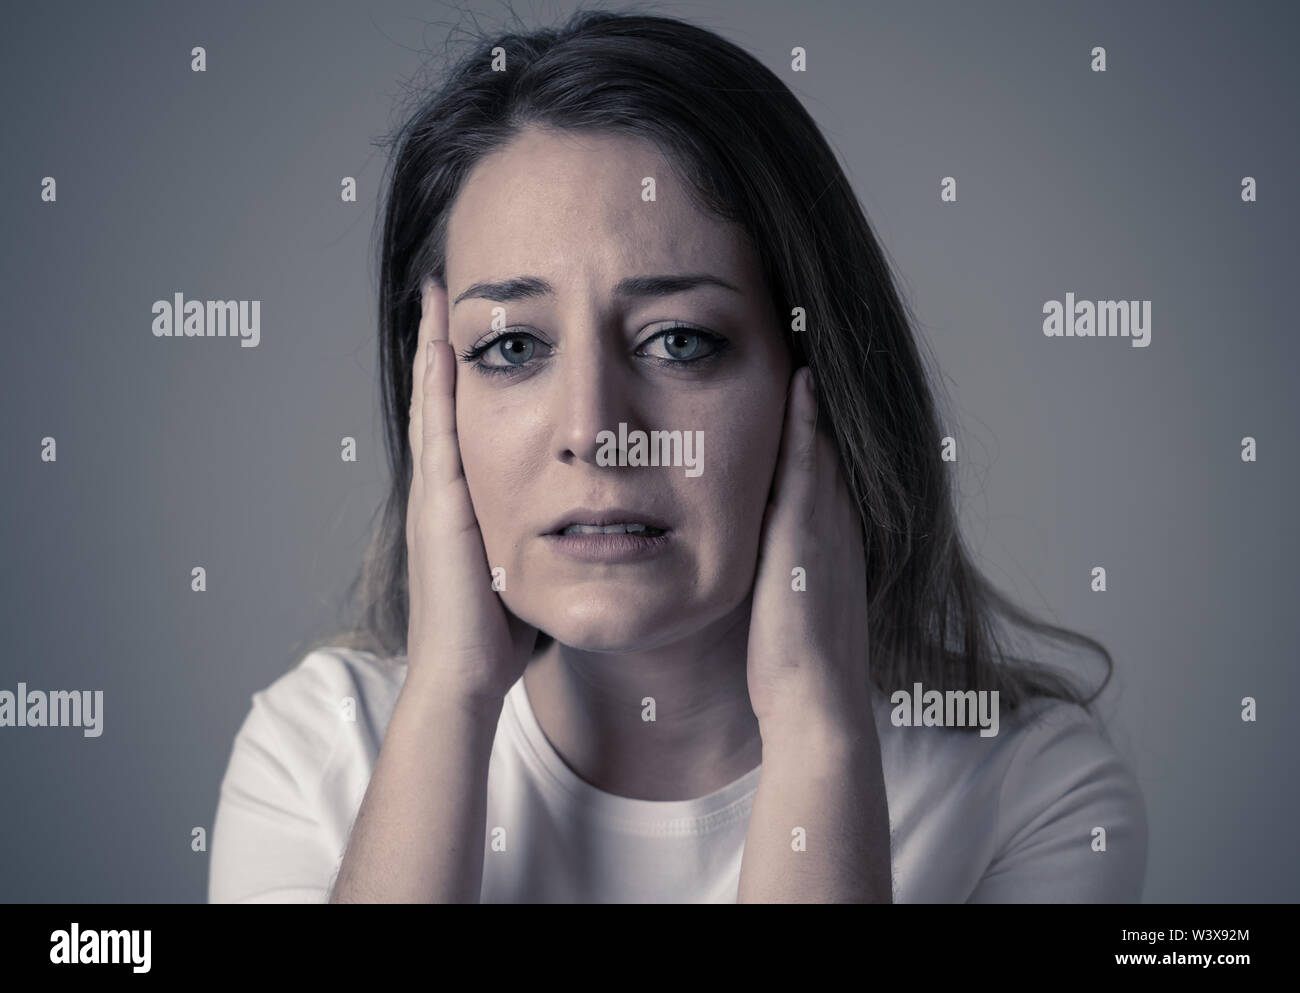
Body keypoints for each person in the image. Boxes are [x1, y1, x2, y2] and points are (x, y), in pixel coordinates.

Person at [209, 9, 1146, 903]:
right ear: (432, 401)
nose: (594, 428)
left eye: (680, 340)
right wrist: (448, 699)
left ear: (817, 379)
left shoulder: (1031, 791)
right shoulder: (317, 751)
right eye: (512, 346)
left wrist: (819, 739)